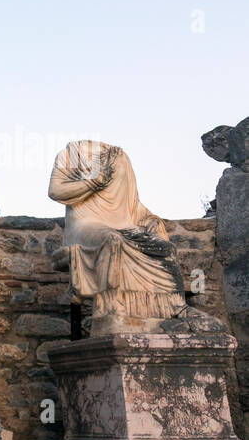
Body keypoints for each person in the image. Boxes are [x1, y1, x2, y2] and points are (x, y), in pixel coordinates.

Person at [48, 140, 186, 334]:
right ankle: (112, 310)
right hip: (86, 223)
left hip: (123, 224)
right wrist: (92, 182)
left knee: (165, 248)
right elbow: (55, 191)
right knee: (112, 240)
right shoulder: (70, 154)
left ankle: (172, 309)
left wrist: (148, 219)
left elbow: (132, 203)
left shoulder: (119, 157)